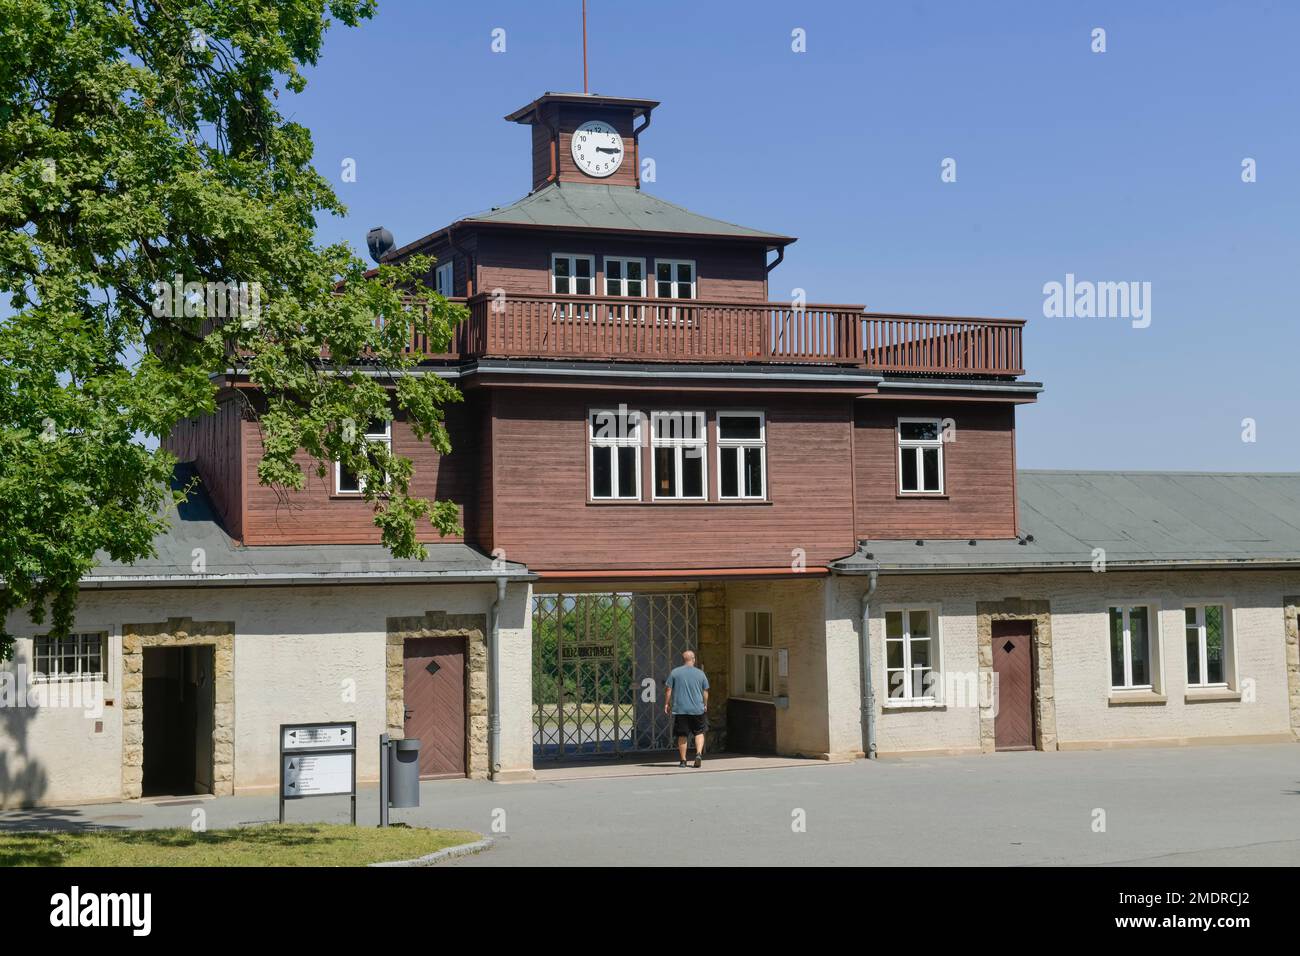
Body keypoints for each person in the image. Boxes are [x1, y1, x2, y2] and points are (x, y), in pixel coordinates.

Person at [664, 649, 709, 768]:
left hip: (681, 709)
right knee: (699, 732)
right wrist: (705, 704)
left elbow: (668, 689)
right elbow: (705, 691)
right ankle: (698, 754)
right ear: (693, 659)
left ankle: (683, 760)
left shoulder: (675, 672)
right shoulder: (700, 673)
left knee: (682, 735)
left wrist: (667, 704)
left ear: (683, 660)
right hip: (697, 708)